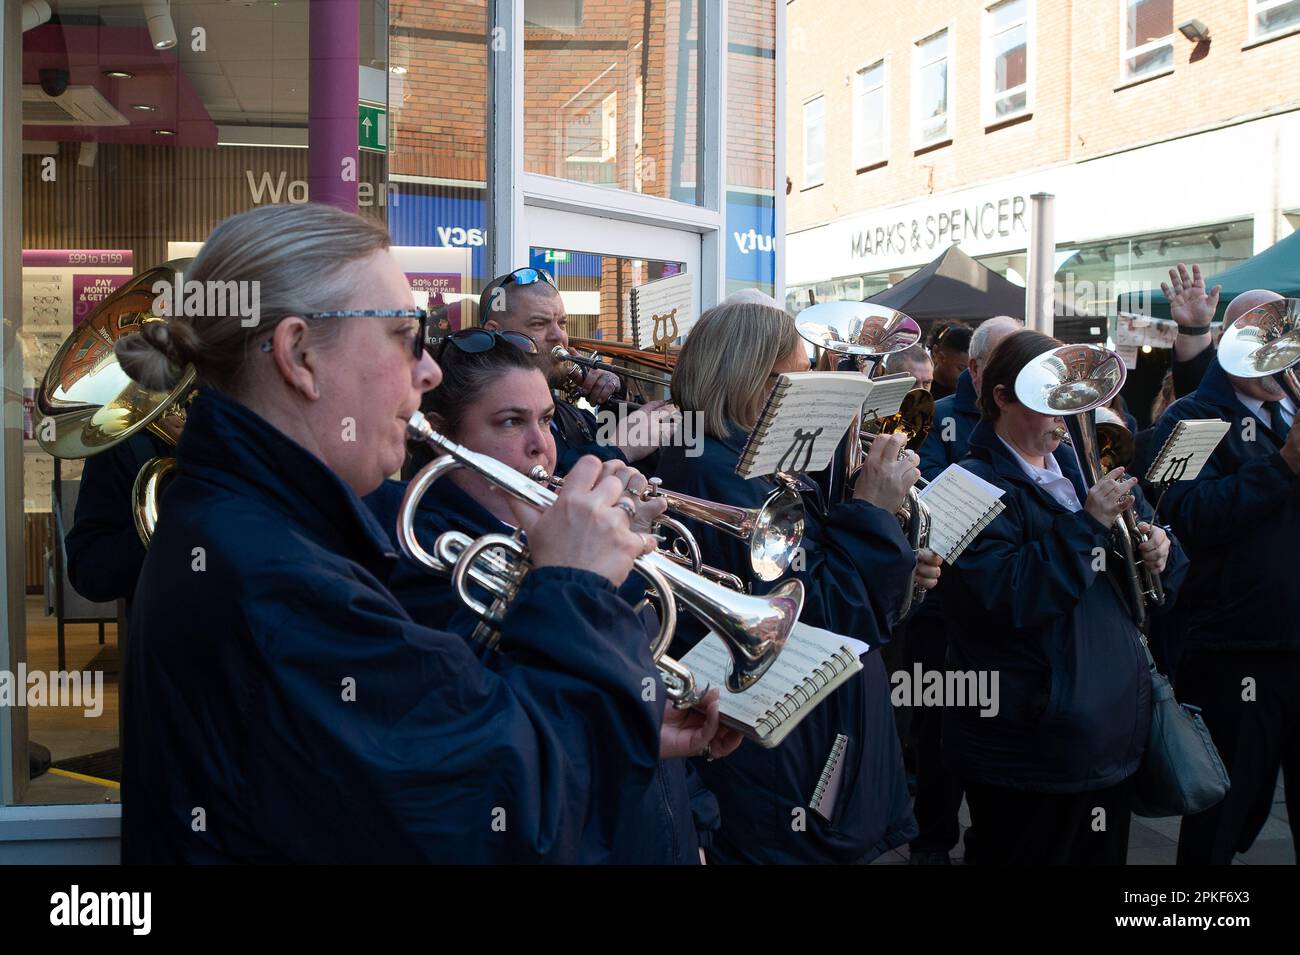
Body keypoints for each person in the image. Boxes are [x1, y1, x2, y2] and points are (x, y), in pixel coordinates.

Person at [115, 202, 669, 863]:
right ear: (299, 355)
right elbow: (513, 823)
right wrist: (574, 587)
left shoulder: (257, 533)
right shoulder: (279, 584)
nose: (428, 372)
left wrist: (624, 714)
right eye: (406, 335)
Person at [364, 328, 740, 863]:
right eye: (510, 422)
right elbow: (501, 741)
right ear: (443, 437)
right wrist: (594, 579)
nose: (542, 445)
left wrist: (694, 824)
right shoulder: (420, 555)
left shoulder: (553, 525)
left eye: (544, 418)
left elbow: (606, 695)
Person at [655, 300, 942, 864]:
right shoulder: (721, 472)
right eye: (801, 375)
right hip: (787, 755)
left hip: (816, 735)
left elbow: (848, 592)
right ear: (754, 380)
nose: (817, 388)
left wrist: (902, 564)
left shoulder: (764, 461)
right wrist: (875, 511)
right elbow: (823, 616)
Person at [943, 330, 1188, 865]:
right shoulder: (962, 482)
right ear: (1002, 397)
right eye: (1048, 397)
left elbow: (1157, 588)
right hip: (1031, 747)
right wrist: (1089, 525)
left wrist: (1160, 552)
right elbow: (1008, 599)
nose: (1064, 415)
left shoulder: (1085, 471)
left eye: (1071, 397)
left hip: (1106, 734)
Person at [1140, 292, 1300, 865]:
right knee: (1222, 817)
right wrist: (1282, 466)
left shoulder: (1288, 413)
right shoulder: (1191, 418)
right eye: (1258, 339)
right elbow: (1182, 517)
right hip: (1235, 651)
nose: (1276, 357)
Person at [904, 314, 1020, 864]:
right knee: (938, 730)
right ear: (975, 370)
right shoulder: (936, 418)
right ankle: (932, 838)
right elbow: (922, 501)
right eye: (1004, 361)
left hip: (1002, 611)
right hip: (941, 609)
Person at [477, 267, 676, 474]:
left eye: (562, 323)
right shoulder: (490, 413)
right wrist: (619, 448)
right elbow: (542, 484)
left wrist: (615, 398)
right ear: (495, 333)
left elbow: (646, 469)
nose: (559, 336)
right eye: (538, 324)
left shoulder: (569, 414)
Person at [927, 321, 972, 401]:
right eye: (962, 369)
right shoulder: (921, 389)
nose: (969, 376)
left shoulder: (971, 394)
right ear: (941, 358)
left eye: (973, 370)